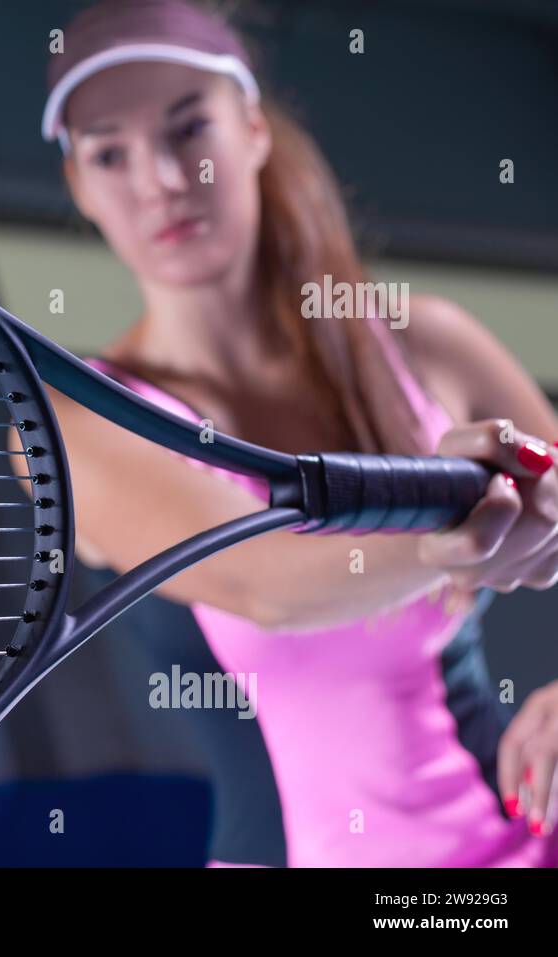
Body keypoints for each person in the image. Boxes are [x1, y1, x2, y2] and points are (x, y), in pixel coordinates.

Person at [34, 0, 558, 866]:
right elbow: (270, 586)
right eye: (109, 153)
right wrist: (446, 537)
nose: (161, 178)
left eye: (189, 127)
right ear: (82, 189)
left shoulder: (426, 341)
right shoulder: (81, 423)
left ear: (252, 131)